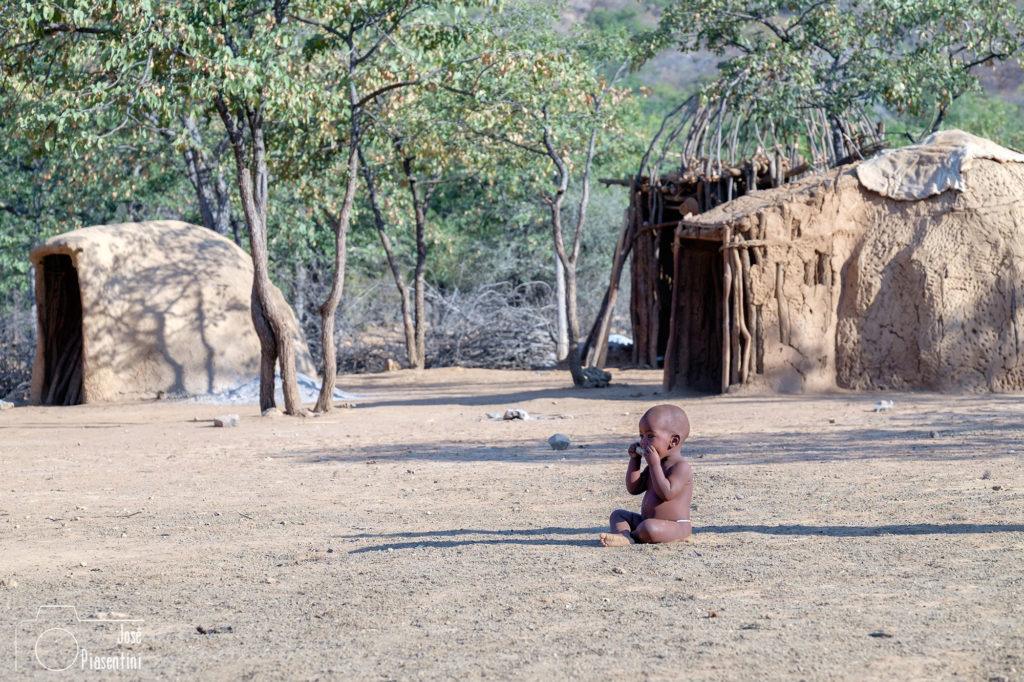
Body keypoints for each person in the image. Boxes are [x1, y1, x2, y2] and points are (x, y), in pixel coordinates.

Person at [600, 404, 694, 546]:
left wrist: (654, 465)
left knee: (649, 528)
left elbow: (666, 494)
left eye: (650, 436)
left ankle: (632, 535)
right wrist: (635, 460)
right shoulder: (655, 465)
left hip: (676, 526)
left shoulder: (681, 467)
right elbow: (634, 488)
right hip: (648, 521)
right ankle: (624, 536)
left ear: (673, 441)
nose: (643, 442)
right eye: (641, 436)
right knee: (618, 515)